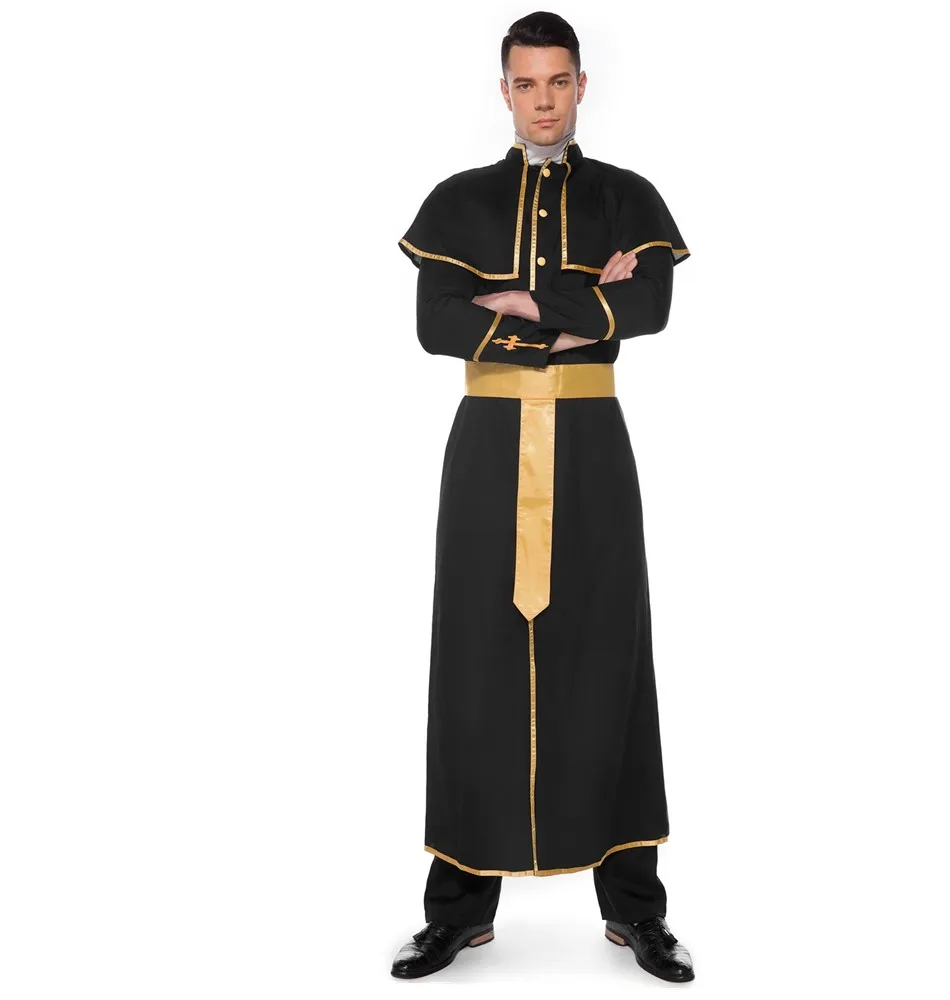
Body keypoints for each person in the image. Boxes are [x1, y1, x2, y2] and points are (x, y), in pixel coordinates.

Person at [391, 11, 695, 984]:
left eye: (558, 81)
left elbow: (649, 306)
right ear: (504, 91)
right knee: (473, 664)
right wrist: (581, 310)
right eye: (525, 84)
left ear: (581, 84)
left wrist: (518, 301)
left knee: (610, 657)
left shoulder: (625, 198)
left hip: (593, 447)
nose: (543, 102)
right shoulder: (457, 202)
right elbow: (437, 324)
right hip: (486, 450)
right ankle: (456, 910)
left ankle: (636, 909)